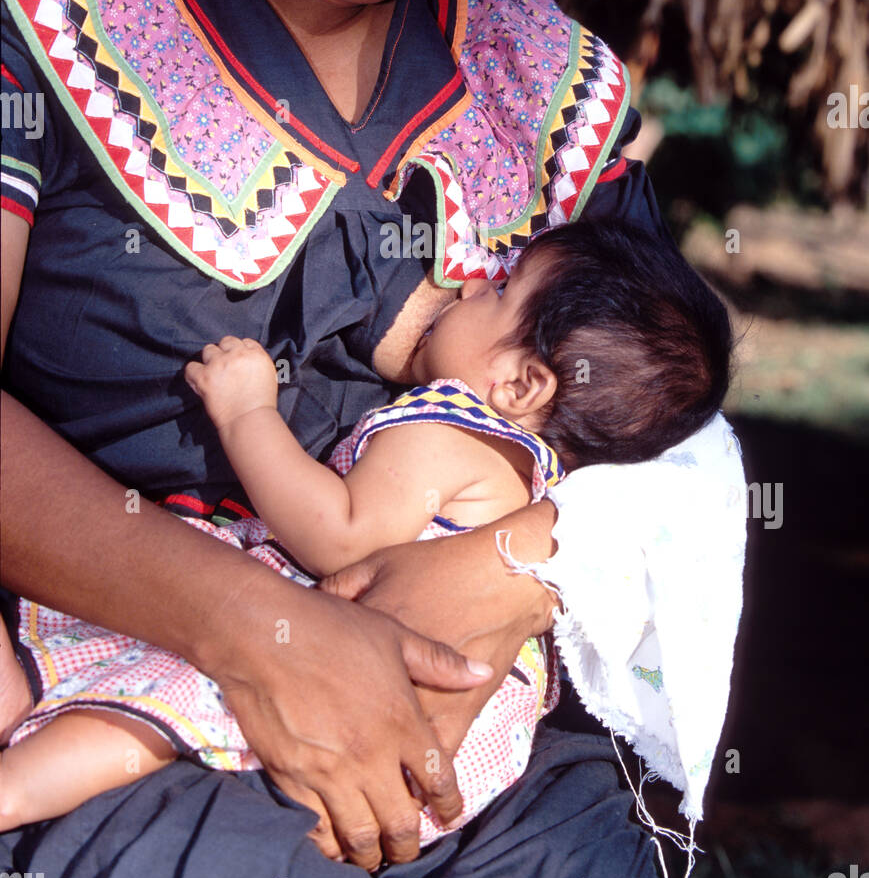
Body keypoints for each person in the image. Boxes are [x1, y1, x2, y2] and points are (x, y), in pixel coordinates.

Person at [0, 0, 677, 878]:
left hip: (475, 732)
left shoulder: (534, 66)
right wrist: (265, 630)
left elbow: (664, 412)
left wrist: (512, 565)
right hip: (128, 716)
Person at [0, 221, 733, 844]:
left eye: (503, 290)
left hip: (365, 662)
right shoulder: (531, 473)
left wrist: (246, 414)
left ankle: (18, 792)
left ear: (520, 385)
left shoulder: (448, 432)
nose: (474, 284)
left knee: (169, 699)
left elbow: (338, 536)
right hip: (456, 733)